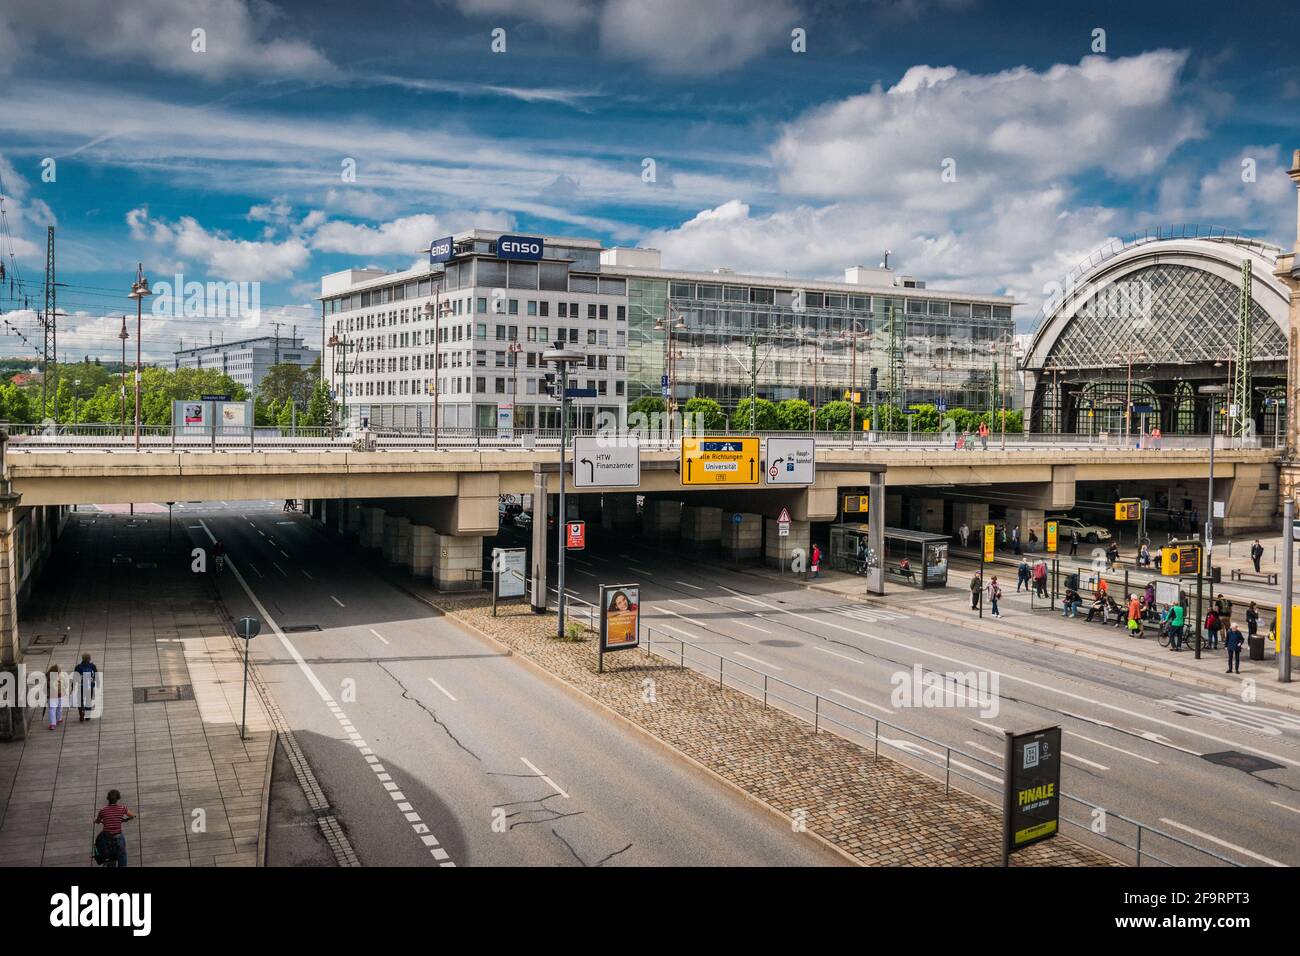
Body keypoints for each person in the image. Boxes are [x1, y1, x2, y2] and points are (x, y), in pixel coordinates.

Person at [94, 790, 135, 868]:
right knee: (122, 854)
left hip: (106, 838)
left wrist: (96, 820)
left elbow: (98, 821)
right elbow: (132, 815)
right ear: (118, 798)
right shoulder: (122, 808)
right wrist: (124, 820)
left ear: (108, 798)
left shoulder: (103, 810)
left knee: (108, 855)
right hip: (118, 837)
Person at [74, 653, 97, 722]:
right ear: (89, 659)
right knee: (88, 700)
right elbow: (96, 674)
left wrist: (73, 686)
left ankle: (81, 713)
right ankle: (87, 716)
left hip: (81, 686)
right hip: (89, 685)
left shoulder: (78, 666)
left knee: (80, 700)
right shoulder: (92, 666)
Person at [46, 663, 64, 730]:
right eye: (59, 671)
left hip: (51, 696)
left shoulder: (47, 677)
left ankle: (52, 724)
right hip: (58, 695)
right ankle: (59, 719)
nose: (60, 672)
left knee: (52, 709)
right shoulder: (58, 677)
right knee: (59, 707)